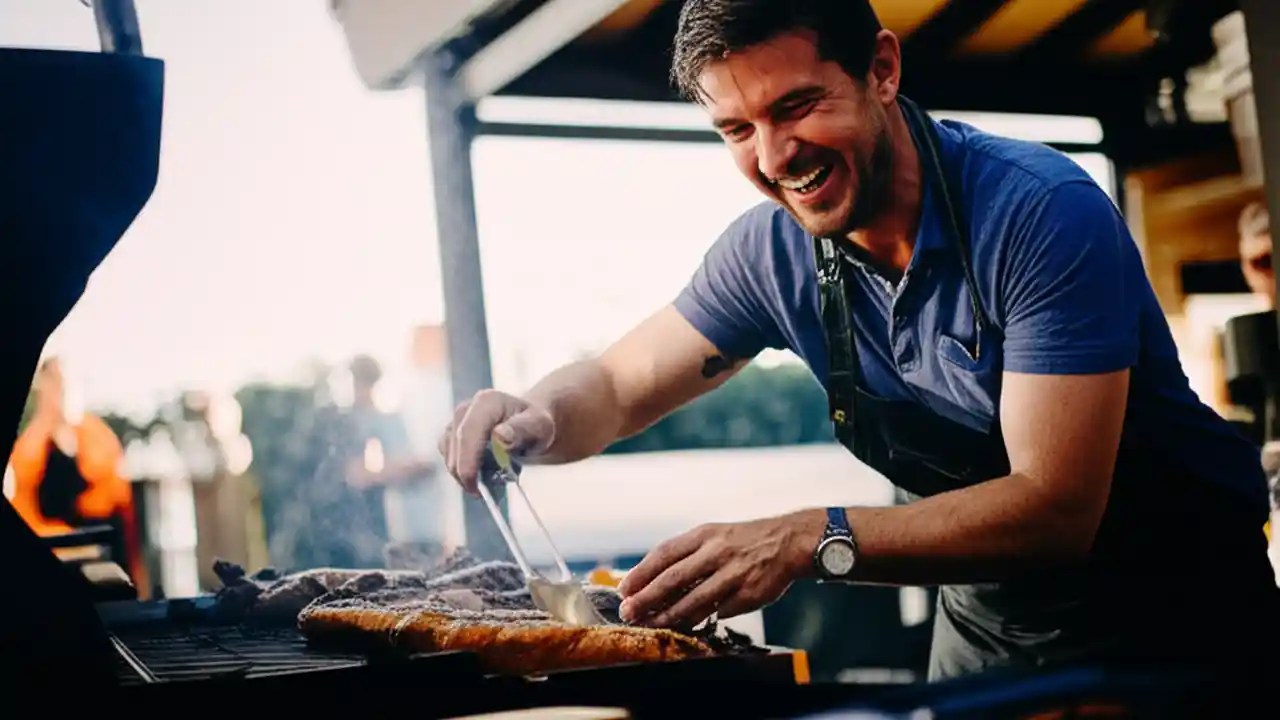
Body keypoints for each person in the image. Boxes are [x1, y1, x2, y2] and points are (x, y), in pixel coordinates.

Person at [438, 0, 1278, 681]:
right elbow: (618, 385)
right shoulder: (771, 255)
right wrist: (537, 416)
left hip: (1180, 620)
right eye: (736, 130)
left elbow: (1056, 510)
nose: (775, 157)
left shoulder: (1039, 212)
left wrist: (805, 538)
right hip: (990, 634)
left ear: (881, 69)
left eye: (796, 106)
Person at [7, 357, 146, 588]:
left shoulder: (101, 440)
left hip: (107, 558)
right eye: (56, 384)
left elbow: (122, 513)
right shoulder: (28, 450)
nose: (64, 392)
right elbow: (25, 515)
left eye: (69, 384)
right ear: (42, 390)